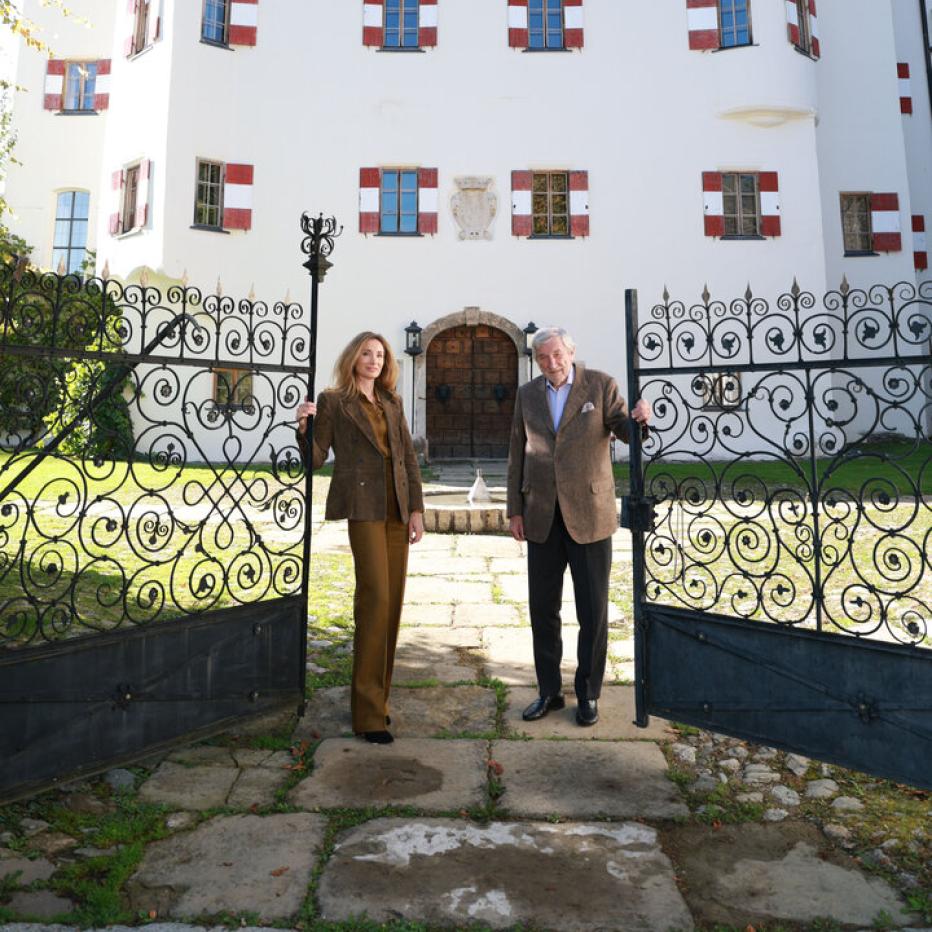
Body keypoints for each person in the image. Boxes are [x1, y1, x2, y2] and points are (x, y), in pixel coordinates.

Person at [506, 327, 651, 726]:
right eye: (542, 357)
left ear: (570, 352)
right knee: (543, 610)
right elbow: (517, 451)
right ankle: (549, 691)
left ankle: (588, 693)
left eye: (557, 354)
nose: (551, 362)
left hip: (589, 513)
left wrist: (640, 420)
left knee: (593, 610)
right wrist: (514, 509)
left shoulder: (600, 385)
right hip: (541, 515)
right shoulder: (527, 394)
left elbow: (625, 431)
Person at [296, 331, 424, 745]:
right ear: (353, 358)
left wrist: (417, 510)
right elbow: (316, 459)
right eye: (366, 354)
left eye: (380, 355)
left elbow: (408, 458)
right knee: (375, 599)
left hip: (397, 506)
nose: (373, 360)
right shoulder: (334, 401)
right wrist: (304, 427)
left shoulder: (392, 401)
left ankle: (380, 701)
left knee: (393, 604)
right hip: (363, 506)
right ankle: (367, 714)